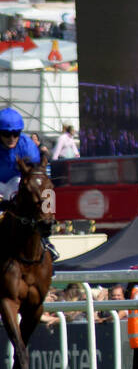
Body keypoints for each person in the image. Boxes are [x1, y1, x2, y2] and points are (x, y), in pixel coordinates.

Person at [0, 107, 57, 258]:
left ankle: (46, 241)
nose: (11, 138)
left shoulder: (28, 146)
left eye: (16, 133)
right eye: (6, 134)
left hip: (18, 180)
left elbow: (38, 179)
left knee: (38, 197)